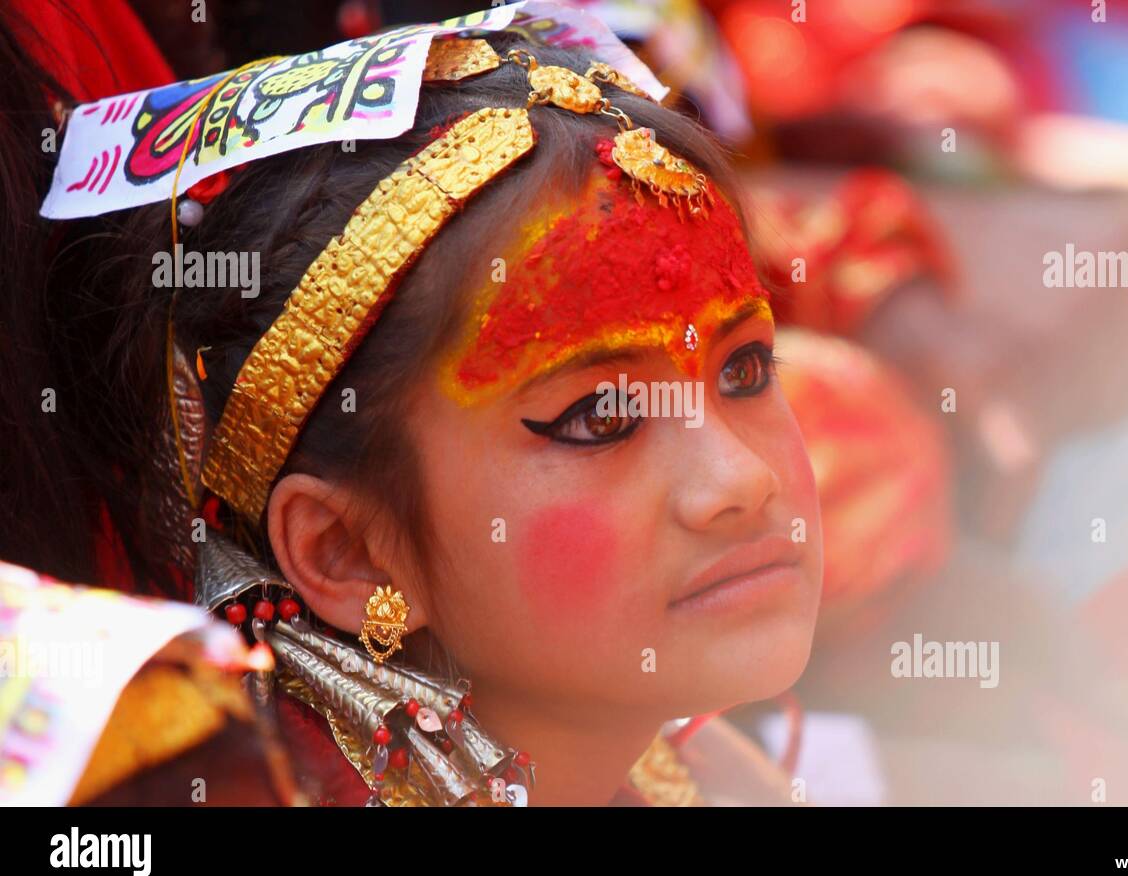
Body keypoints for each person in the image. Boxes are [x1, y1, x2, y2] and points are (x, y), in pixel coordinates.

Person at [9, 13, 824, 805]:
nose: (740, 478)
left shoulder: (703, 776)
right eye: (601, 417)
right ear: (348, 552)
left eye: (745, 369)